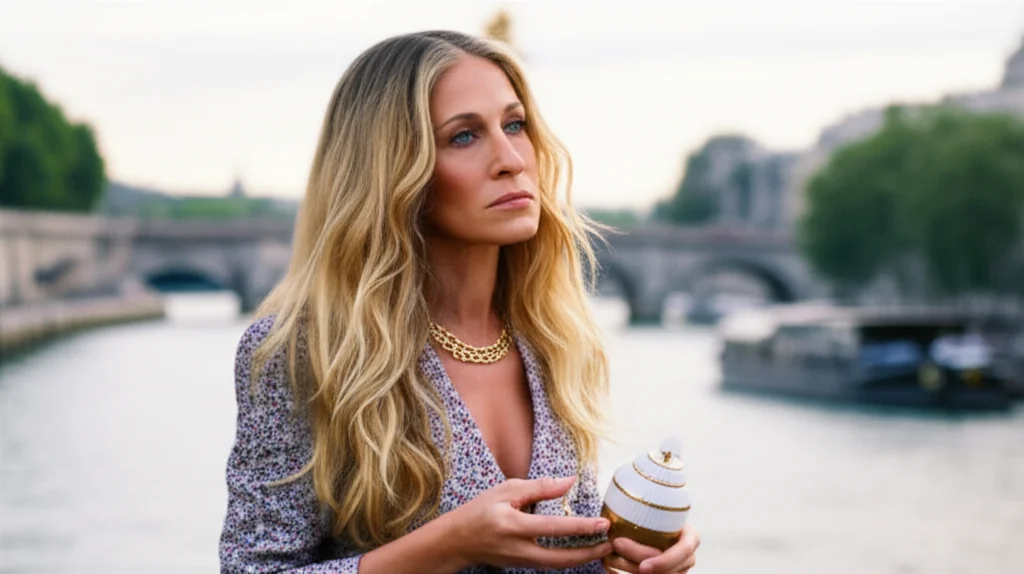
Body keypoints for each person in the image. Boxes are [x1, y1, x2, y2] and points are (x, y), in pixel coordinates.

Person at [218, 30, 700, 574]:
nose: (511, 159)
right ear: (393, 170)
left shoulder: (557, 340)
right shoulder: (305, 352)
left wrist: (627, 560)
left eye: (515, 125)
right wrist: (446, 546)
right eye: (464, 137)